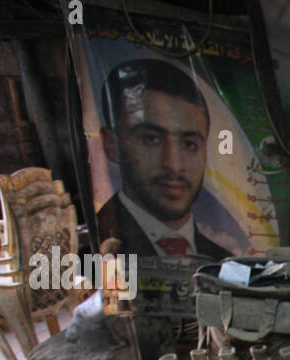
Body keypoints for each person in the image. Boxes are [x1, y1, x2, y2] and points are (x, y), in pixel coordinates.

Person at [97, 59, 234, 260]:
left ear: (205, 151)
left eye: (189, 144)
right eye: (151, 139)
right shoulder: (87, 253)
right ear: (112, 144)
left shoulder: (224, 262)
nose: (174, 165)